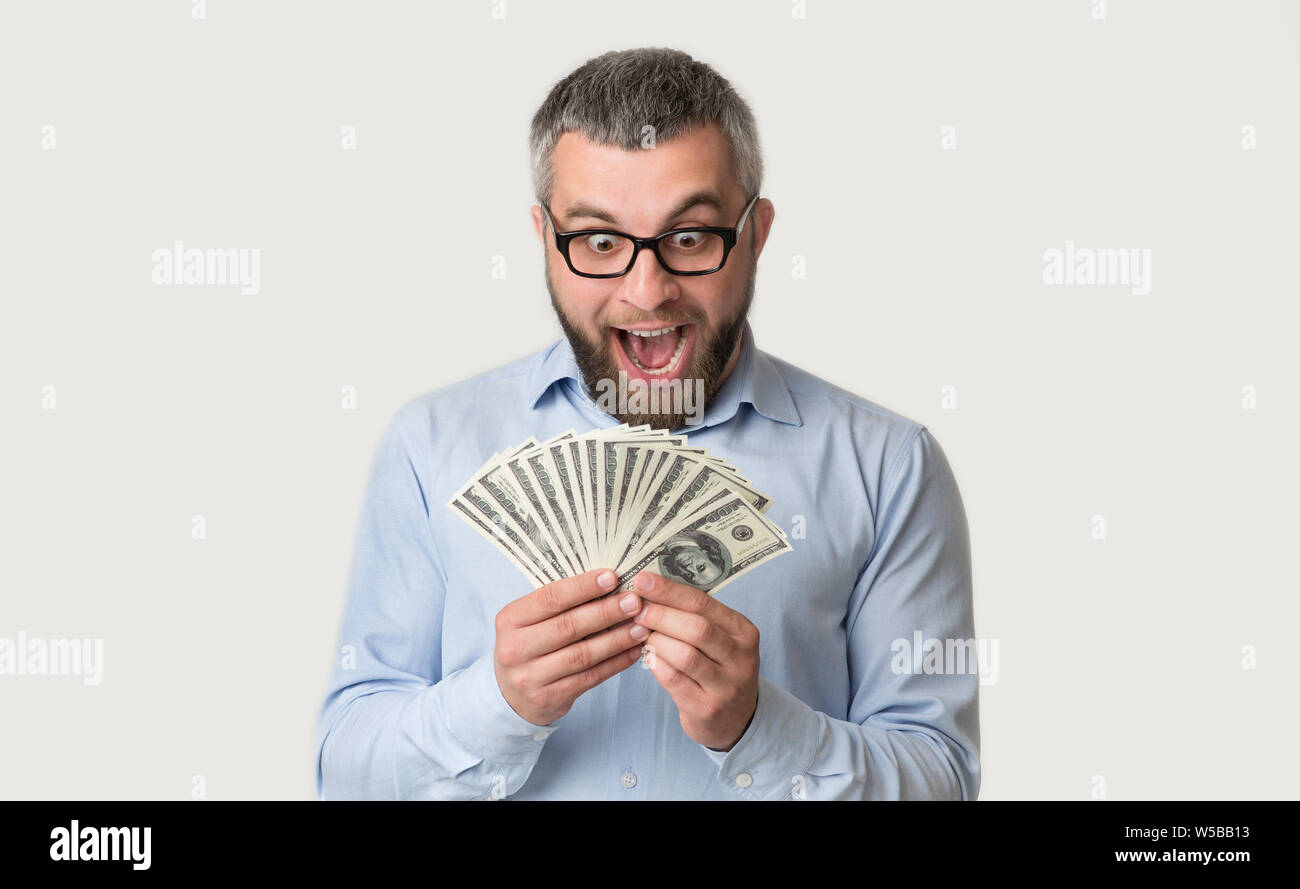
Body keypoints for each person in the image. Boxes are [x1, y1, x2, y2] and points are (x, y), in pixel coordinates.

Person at [314, 47, 980, 800]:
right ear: (544, 241)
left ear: (755, 234)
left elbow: (941, 781)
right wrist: (496, 705)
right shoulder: (428, 447)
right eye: (599, 241)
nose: (647, 290)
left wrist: (760, 726)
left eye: (690, 237)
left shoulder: (889, 466)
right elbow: (345, 771)